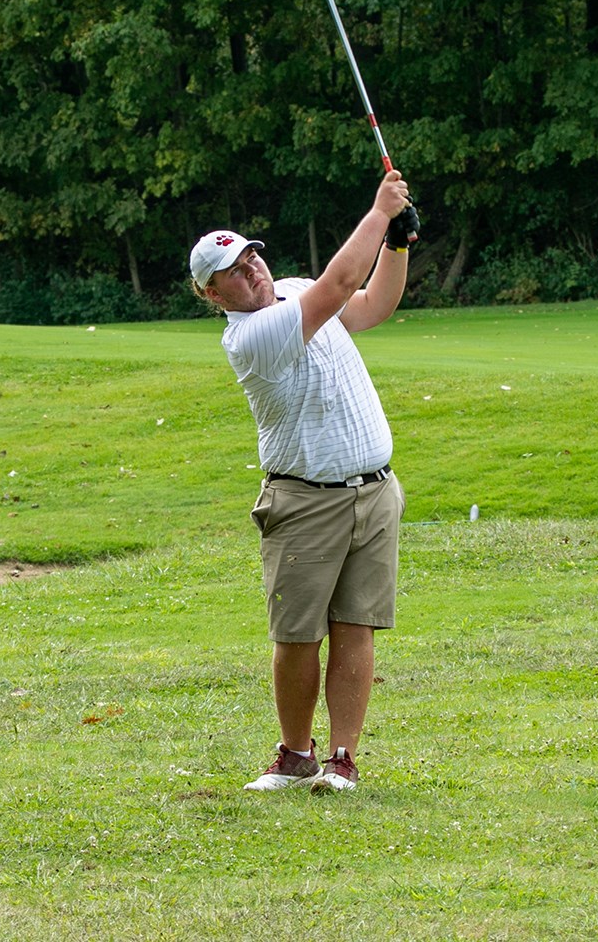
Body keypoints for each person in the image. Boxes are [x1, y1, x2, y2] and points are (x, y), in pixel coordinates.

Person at [189, 169, 414, 794]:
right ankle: (295, 754)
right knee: (297, 636)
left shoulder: (292, 289)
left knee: (356, 626)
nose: (252, 271)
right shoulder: (250, 337)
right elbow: (340, 284)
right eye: (235, 272)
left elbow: (368, 305)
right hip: (304, 500)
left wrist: (396, 243)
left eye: (252, 258)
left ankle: (342, 759)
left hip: (374, 491)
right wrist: (379, 212)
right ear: (213, 293)